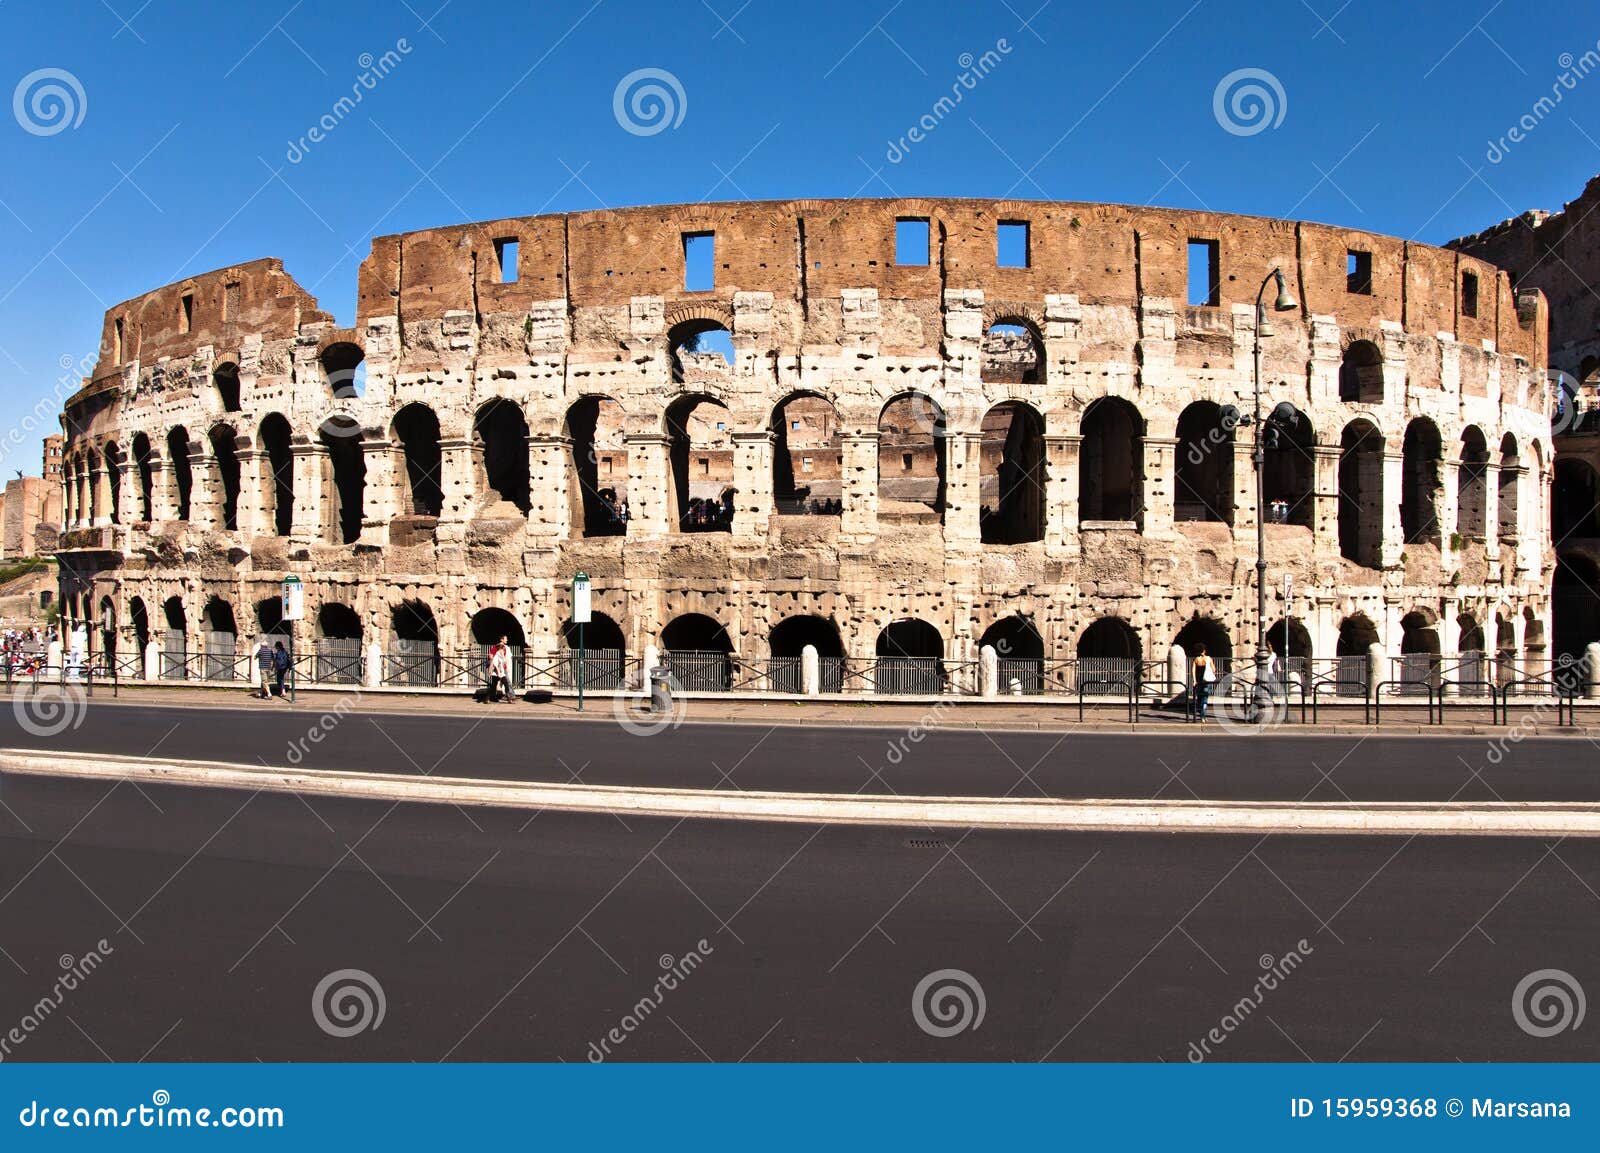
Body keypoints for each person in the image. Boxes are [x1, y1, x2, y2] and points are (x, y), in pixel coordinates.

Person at [1192, 643, 1217, 719]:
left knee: (1199, 697)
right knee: (1205, 697)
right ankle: (1203, 715)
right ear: (1204, 650)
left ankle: (1200, 711)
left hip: (1199, 681)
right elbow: (1214, 670)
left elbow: (1193, 671)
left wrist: (1194, 681)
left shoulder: (1196, 659)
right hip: (1207, 681)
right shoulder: (1208, 658)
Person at [488, 636, 514, 703]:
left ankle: (509, 697)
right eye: (502, 649)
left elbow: (504, 659)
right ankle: (488, 698)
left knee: (505, 683)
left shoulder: (502, 653)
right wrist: (498, 672)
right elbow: (495, 663)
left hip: (501, 671)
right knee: (494, 685)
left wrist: (505, 663)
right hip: (497, 672)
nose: (503, 650)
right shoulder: (497, 654)